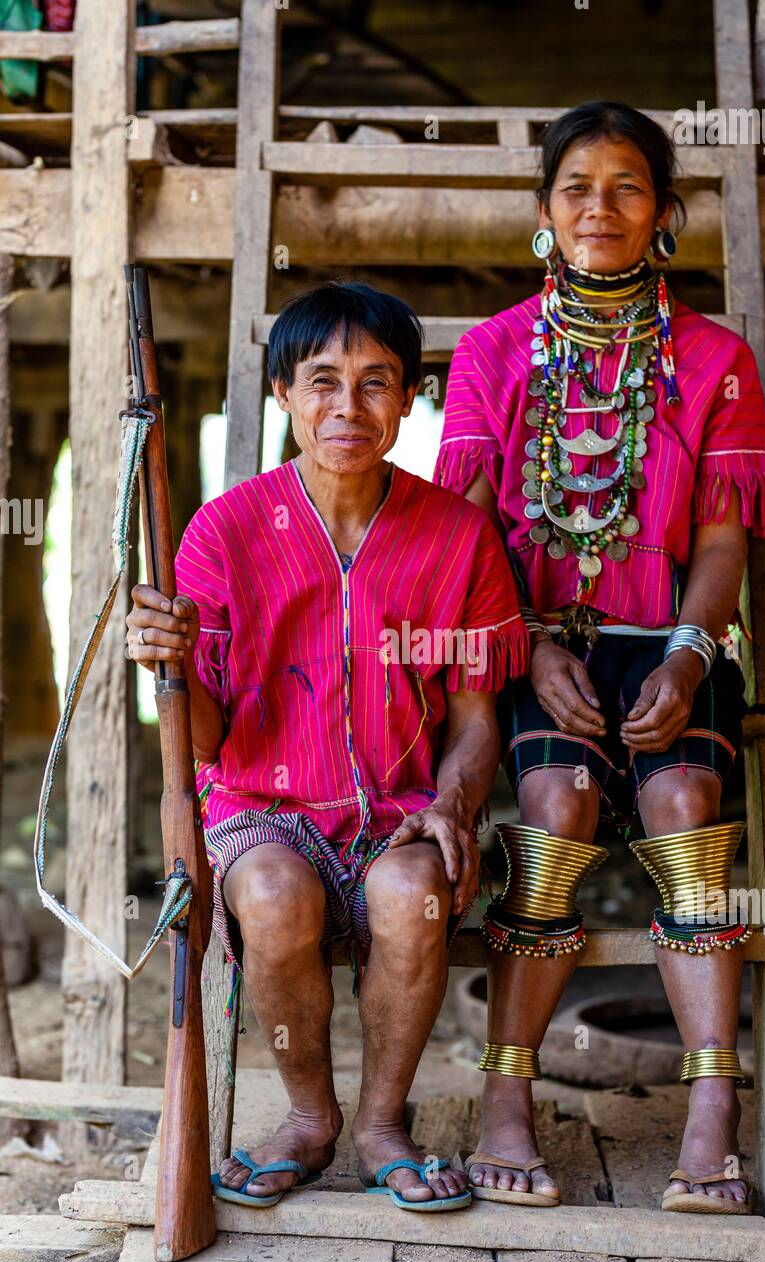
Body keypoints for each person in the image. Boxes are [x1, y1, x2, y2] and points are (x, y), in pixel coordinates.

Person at [435, 101, 765, 1213]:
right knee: (557, 808)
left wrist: (686, 661)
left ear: (664, 214)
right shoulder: (494, 352)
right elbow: (468, 528)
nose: (599, 205)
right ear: (544, 214)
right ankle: (505, 1096)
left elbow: (723, 534)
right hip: (537, 643)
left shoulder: (713, 358)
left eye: (626, 185)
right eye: (575, 186)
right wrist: (530, 643)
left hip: (667, 641)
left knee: (684, 801)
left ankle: (709, 1105)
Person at [126, 282, 529, 1212]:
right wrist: (171, 672)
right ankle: (310, 1119)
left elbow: (474, 721)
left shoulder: (461, 538)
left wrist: (453, 806)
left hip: (400, 812)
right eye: (322, 382)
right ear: (282, 395)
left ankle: (385, 1123)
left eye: (376, 382)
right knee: (270, 897)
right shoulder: (222, 534)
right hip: (265, 813)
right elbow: (207, 743)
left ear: (409, 399)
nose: (348, 406)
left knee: (416, 892)